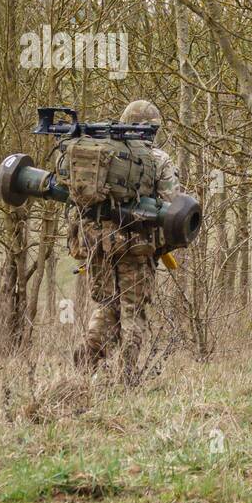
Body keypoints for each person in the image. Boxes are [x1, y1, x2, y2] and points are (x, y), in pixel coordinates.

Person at [71, 99, 182, 381]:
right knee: (133, 311)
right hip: (136, 247)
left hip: (97, 244)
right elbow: (170, 206)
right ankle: (126, 377)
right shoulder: (157, 159)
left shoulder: (102, 152)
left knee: (107, 305)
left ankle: (87, 359)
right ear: (153, 129)